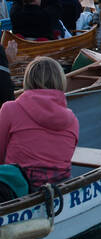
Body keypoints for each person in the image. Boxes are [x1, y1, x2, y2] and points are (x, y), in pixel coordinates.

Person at [0, 56, 79, 190]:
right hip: (57, 188)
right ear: (61, 81)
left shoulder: (10, 109)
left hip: (17, 188)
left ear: (28, 80)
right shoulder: (72, 119)